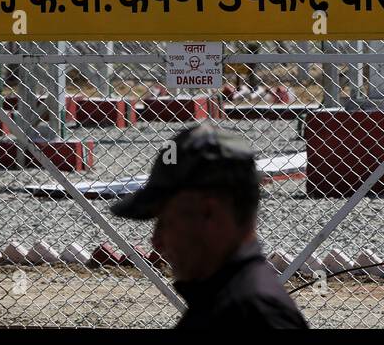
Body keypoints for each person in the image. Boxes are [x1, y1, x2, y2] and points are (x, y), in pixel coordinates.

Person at [111, 122, 309, 329]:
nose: (156, 241)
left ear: (209, 212)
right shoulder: (231, 302)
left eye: (166, 222)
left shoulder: (248, 314)